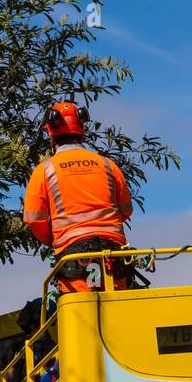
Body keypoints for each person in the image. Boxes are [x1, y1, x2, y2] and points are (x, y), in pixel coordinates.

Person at [23, 101, 135, 292]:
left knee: (78, 315)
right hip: (114, 257)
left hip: (73, 260)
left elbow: (34, 220)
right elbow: (126, 210)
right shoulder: (108, 165)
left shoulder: (45, 170)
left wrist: (56, 239)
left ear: (50, 131)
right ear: (82, 128)